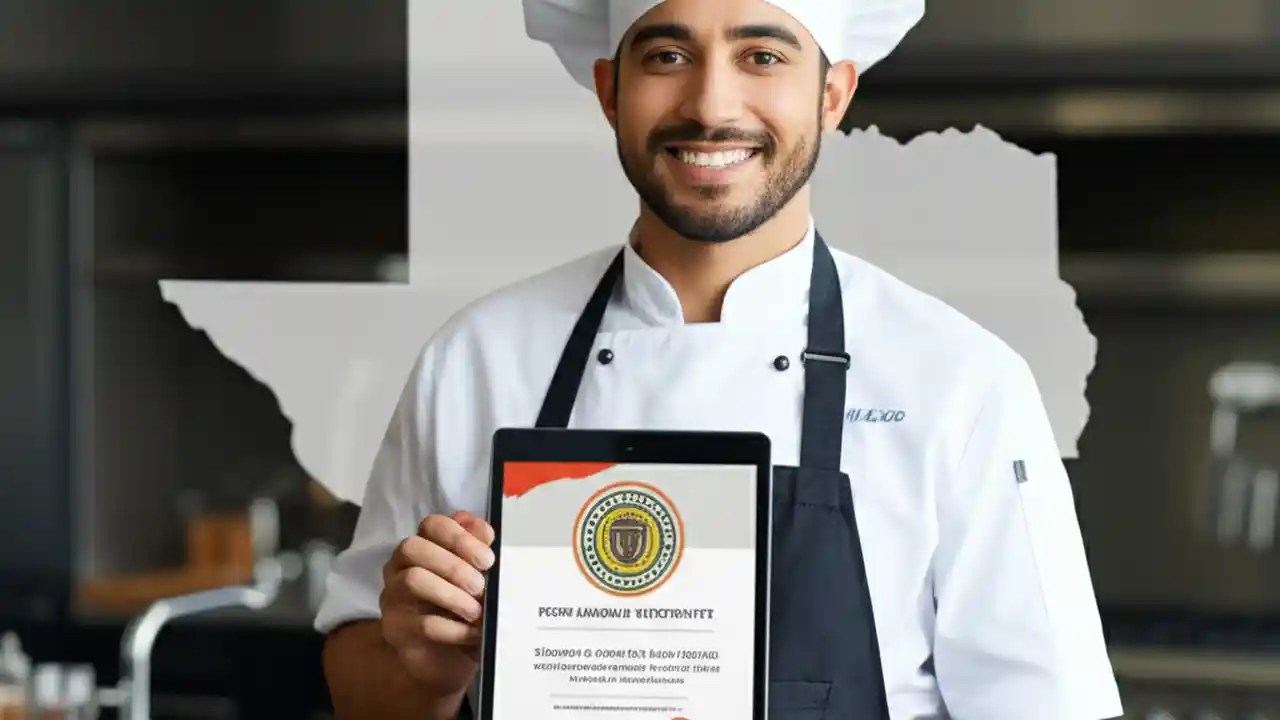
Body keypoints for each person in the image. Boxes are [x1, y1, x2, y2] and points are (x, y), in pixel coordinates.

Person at [316, 0, 1125, 718]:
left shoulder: (962, 383)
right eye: (667, 55)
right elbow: (359, 676)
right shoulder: (477, 358)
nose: (710, 105)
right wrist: (423, 672)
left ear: (833, 94)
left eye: (762, 56)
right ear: (610, 92)